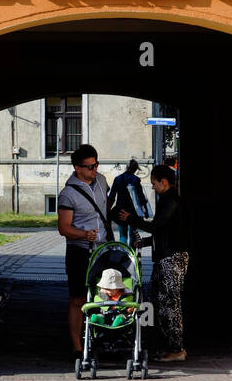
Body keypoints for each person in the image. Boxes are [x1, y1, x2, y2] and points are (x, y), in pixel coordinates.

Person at [120, 163, 189, 363]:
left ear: (163, 182)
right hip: (165, 256)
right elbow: (165, 232)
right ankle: (168, 346)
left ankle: (176, 349)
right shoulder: (168, 200)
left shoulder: (170, 201)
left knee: (170, 303)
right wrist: (146, 242)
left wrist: (132, 218)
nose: (152, 187)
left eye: (154, 183)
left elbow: (157, 227)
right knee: (158, 301)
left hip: (171, 257)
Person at [57, 144, 112, 356]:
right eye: (89, 167)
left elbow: (105, 208)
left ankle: (99, 336)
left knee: (105, 295)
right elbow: (64, 228)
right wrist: (83, 234)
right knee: (78, 299)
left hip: (102, 249)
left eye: (96, 165)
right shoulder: (68, 194)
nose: (94, 170)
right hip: (79, 251)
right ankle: (77, 346)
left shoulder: (102, 181)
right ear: (77, 168)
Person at [108, 158, 150, 245]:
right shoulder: (136, 180)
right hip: (133, 211)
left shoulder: (117, 179)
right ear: (135, 169)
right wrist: (145, 210)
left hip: (121, 210)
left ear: (127, 167)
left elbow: (112, 196)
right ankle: (132, 255)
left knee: (122, 235)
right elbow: (141, 196)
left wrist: (107, 210)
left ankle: (124, 255)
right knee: (133, 235)